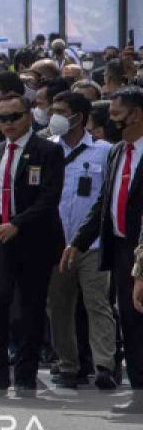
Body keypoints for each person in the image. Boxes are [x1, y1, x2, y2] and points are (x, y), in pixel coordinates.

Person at [0, 94, 65, 392]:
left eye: (14, 117)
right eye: (2, 118)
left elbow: (49, 198)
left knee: (30, 307)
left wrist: (17, 223)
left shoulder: (47, 151)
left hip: (33, 238)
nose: (8, 124)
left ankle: (26, 374)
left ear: (28, 116)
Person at [65, 85, 143, 412]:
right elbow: (103, 202)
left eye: (116, 115)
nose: (110, 122)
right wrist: (79, 241)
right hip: (121, 249)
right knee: (130, 321)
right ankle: (138, 394)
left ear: (136, 114)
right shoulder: (115, 152)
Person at [44, 91, 117, 390]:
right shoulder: (46, 149)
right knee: (58, 305)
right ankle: (68, 365)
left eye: (62, 111)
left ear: (80, 117)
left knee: (98, 304)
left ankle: (104, 366)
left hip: (92, 245)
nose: (55, 116)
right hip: (56, 242)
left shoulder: (105, 152)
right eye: (54, 110)